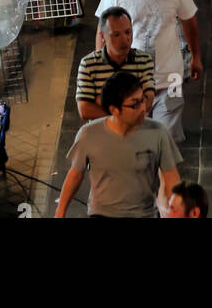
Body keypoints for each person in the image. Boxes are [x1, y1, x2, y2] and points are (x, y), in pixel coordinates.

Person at [96, 0, 202, 142]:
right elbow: (103, 32)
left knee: (165, 138)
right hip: (131, 82)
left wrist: (195, 56)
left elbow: (189, 21)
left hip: (170, 76)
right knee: (136, 138)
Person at [56, 71, 181, 219]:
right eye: (135, 104)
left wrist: (176, 210)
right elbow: (75, 174)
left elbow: (171, 177)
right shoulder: (88, 135)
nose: (143, 108)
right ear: (114, 109)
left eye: (143, 100)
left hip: (144, 214)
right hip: (101, 214)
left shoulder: (158, 132)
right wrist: (60, 212)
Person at [76, 9, 156, 121]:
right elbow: (85, 110)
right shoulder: (88, 64)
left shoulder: (144, 60)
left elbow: (148, 100)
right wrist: (129, 110)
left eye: (128, 32)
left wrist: (102, 103)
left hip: (134, 131)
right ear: (102, 36)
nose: (124, 40)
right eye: (116, 34)